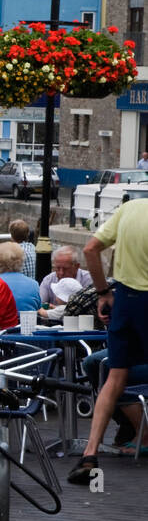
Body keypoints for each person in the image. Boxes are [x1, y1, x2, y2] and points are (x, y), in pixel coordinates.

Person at [69, 198, 148, 483]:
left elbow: (90, 249)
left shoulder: (130, 209)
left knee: (114, 376)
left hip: (125, 300)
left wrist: (103, 291)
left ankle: (90, 455)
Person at [0, 241, 41, 313]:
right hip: (26, 323)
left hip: (1, 323)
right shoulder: (34, 284)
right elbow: (39, 309)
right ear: (21, 260)